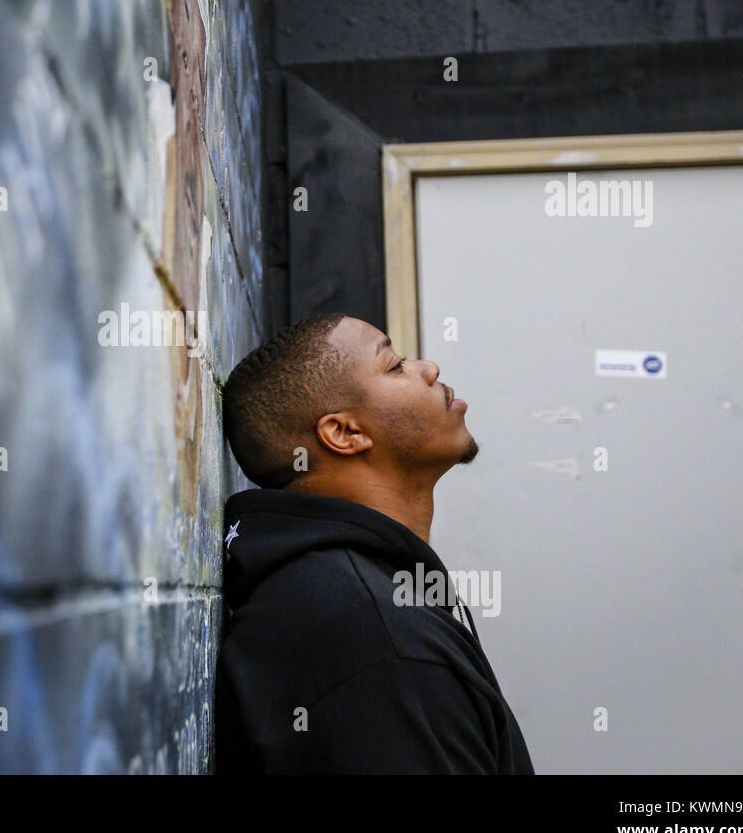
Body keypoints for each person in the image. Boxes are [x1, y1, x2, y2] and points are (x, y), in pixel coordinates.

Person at [215, 313, 534, 773]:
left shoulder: (356, 596)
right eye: (395, 365)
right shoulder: (378, 636)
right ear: (344, 433)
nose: (429, 369)